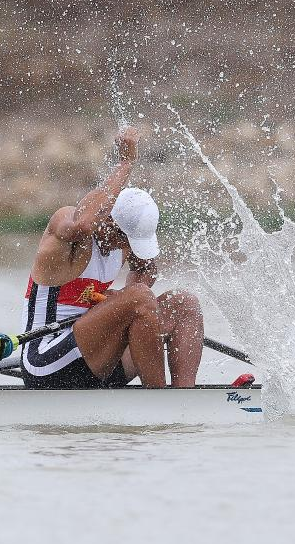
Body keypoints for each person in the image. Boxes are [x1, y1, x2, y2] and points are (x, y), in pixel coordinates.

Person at [21, 128, 203, 388]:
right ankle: (160, 402)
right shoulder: (66, 229)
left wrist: (124, 303)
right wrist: (126, 164)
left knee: (184, 303)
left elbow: (147, 269)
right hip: (46, 361)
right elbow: (83, 224)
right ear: (108, 222)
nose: (127, 248)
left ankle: (184, 398)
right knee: (139, 297)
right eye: (125, 240)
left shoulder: (123, 242)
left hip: (99, 359)